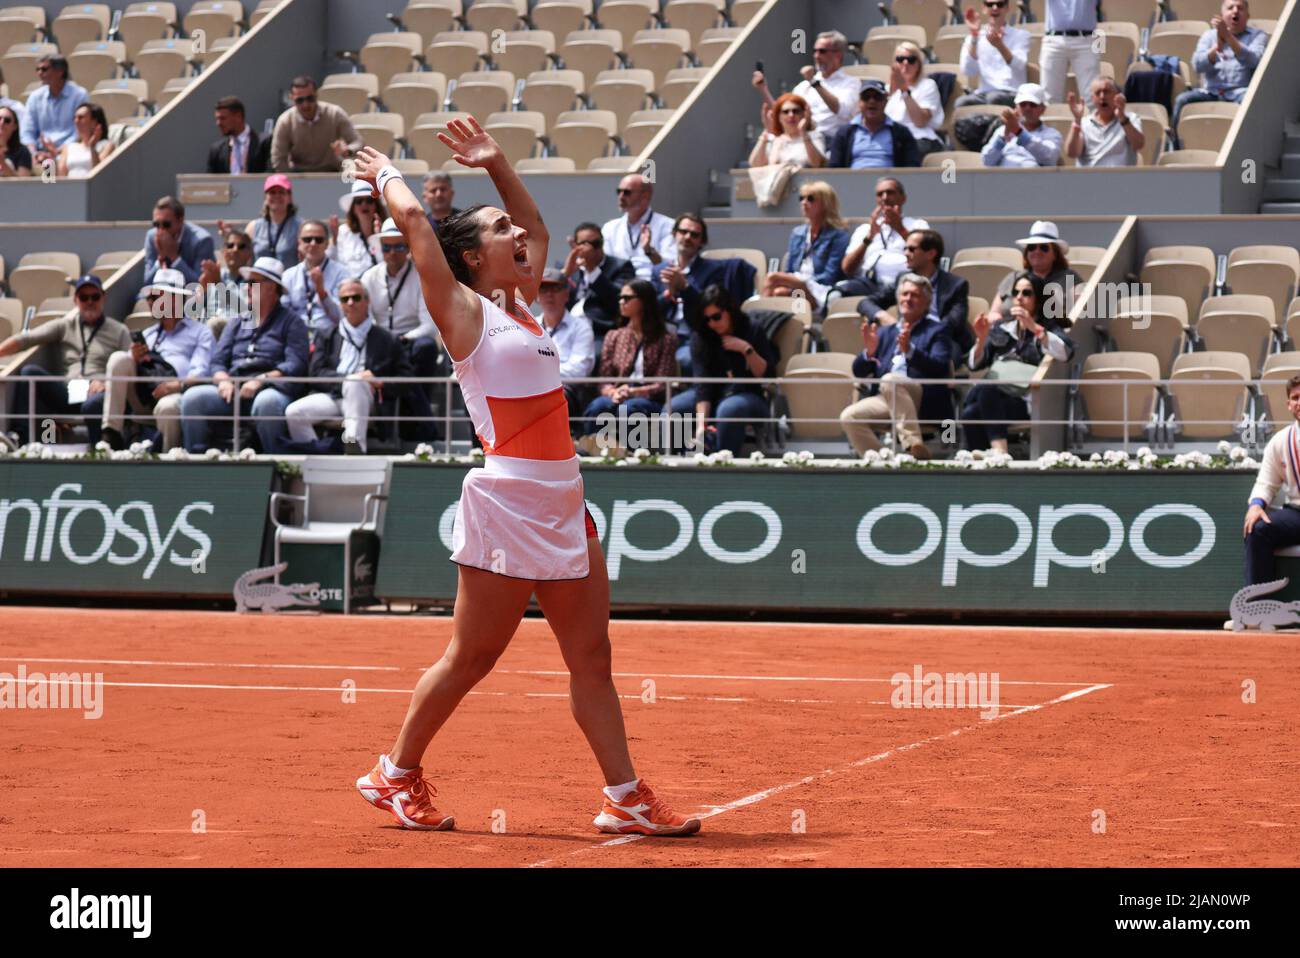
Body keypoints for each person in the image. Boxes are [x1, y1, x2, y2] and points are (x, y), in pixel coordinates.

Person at [350, 126, 700, 835]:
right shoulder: (462, 312)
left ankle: (624, 798)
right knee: (473, 656)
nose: (519, 235)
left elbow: (537, 225)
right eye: (498, 230)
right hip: (509, 498)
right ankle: (394, 774)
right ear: (474, 256)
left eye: (510, 226)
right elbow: (417, 221)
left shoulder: (523, 308)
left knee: (592, 656)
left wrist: (498, 164)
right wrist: (386, 175)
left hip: (565, 498)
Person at [180, 256, 308, 453]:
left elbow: (295, 364)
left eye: (252, 282)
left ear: (272, 288)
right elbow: (218, 361)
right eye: (246, 283)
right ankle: (197, 462)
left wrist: (261, 380)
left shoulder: (292, 322)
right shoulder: (237, 321)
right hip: (234, 389)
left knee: (268, 403)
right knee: (193, 399)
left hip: (270, 389)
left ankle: (277, 465)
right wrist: (222, 380)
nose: (246, 287)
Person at [0, 275, 131, 446]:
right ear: (75, 300)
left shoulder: (119, 330)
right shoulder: (65, 325)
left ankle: (100, 451)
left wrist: (107, 383)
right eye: (84, 297)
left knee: (93, 404)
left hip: (99, 391)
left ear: (103, 298)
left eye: (95, 297)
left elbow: (129, 365)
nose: (90, 302)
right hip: (71, 389)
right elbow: (26, 339)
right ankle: (19, 437)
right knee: (29, 372)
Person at [284, 279, 411, 454]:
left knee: (356, 382)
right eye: (345, 299)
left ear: (367, 301)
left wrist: (380, 382)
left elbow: (406, 378)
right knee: (294, 413)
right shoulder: (327, 335)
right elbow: (316, 372)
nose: (351, 303)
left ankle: (355, 446)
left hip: (369, 399)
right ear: (341, 304)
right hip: (333, 395)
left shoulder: (387, 339)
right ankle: (320, 453)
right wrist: (345, 381)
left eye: (356, 297)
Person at [839, 273, 954, 460]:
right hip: (887, 397)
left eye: (914, 295)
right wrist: (868, 352)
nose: (908, 299)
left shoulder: (937, 330)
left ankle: (913, 445)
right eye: (905, 294)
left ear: (926, 302)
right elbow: (858, 371)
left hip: (923, 397)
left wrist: (910, 351)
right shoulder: (884, 332)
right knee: (849, 417)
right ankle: (882, 462)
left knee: (890, 380)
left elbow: (941, 367)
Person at [98, 268, 215, 451]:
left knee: (167, 407)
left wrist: (173, 386)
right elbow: (124, 370)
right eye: (150, 298)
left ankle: (169, 460)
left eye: (155, 297)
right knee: (119, 358)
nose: (149, 302)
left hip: (178, 394)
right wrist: (134, 359)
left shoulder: (201, 332)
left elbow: (200, 373)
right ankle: (111, 435)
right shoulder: (148, 334)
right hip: (145, 394)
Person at [962, 272, 1073, 454]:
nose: (1019, 298)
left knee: (984, 391)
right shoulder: (1002, 328)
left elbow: (1065, 352)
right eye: (1016, 293)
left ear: (1038, 298)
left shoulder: (1048, 328)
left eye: (1026, 293)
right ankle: (985, 459)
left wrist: (1034, 328)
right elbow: (974, 365)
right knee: (971, 412)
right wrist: (981, 339)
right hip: (997, 399)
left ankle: (1000, 452)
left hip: (1028, 401)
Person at [360, 217, 442, 441]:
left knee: (425, 347)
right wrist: (386, 341)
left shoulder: (420, 276)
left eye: (399, 246)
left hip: (409, 341)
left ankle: (412, 422)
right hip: (380, 342)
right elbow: (364, 319)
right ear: (381, 248)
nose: (392, 252)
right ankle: (422, 427)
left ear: (408, 248)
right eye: (387, 246)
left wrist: (403, 339)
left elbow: (428, 324)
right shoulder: (369, 276)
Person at [669, 285, 775, 455]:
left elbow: (766, 377)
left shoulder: (752, 328)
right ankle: (673, 463)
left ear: (730, 311)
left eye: (716, 317)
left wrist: (746, 349)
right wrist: (701, 426)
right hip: (712, 393)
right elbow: (702, 385)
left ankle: (723, 463)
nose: (711, 324)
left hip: (749, 394)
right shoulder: (701, 336)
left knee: (729, 409)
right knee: (673, 408)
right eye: (707, 319)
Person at [651, 212, 756, 374]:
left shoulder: (713, 270)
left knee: (685, 359)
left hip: (693, 336)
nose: (687, 237)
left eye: (694, 235)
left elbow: (711, 307)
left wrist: (685, 287)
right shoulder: (660, 270)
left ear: (702, 241)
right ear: (674, 234)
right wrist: (668, 294)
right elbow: (650, 309)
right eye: (683, 232)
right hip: (661, 336)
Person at [580, 279, 679, 437]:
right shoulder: (615, 336)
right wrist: (612, 391)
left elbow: (662, 383)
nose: (621, 302)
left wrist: (633, 392)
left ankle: (632, 455)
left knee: (629, 409)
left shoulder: (665, 339)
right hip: (618, 393)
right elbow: (604, 378)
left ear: (644, 301)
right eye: (621, 298)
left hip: (648, 398)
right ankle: (595, 452)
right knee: (598, 406)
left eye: (627, 298)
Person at [857, 229, 973, 354]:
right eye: (905, 249)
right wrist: (883, 316)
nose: (906, 253)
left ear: (931, 254)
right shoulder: (903, 280)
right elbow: (865, 303)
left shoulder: (956, 285)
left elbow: (954, 322)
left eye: (911, 249)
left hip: (942, 339)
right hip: (904, 337)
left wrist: (921, 333)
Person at [1173, 0, 1269, 136]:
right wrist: (1217, 47)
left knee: (1253, 101)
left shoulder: (1258, 36)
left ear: (1247, 15)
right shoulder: (1209, 36)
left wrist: (1228, 37)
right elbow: (1197, 65)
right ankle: (1176, 145)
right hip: (1211, 92)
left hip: (1240, 92)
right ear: (1222, 15)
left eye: (1240, 8)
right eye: (1230, 8)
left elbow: (1254, 60)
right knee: (1182, 100)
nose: (1235, 11)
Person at [1242, 375, 1300, 588]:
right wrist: (1256, 506)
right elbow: (1266, 482)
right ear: (1288, 405)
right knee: (1257, 529)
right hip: (1297, 515)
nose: (1299, 402)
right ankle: (1255, 607)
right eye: (1295, 397)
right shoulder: (1280, 441)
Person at [761, 180, 850, 312]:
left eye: (811, 199)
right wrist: (795, 282)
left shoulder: (838, 236)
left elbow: (830, 276)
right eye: (801, 198)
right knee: (779, 292)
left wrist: (802, 281)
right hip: (798, 288)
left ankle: (759, 317)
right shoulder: (798, 233)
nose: (804, 202)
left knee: (772, 277)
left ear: (825, 203)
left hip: (820, 290)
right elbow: (789, 269)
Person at [751, 30, 859, 140]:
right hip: (803, 139)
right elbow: (784, 112)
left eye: (822, 51)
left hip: (832, 142)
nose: (816, 56)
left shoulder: (851, 82)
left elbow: (843, 112)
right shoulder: (805, 85)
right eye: (815, 51)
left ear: (838, 55)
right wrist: (763, 89)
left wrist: (814, 82)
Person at [839, 177, 929, 297]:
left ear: (903, 198)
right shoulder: (865, 229)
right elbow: (847, 268)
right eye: (880, 194)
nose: (885, 198)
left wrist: (899, 228)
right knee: (837, 294)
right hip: (869, 283)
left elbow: (927, 258)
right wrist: (869, 238)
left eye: (890, 192)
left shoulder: (918, 225)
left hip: (905, 283)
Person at [989, 220, 1083, 320]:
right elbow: (993, 313)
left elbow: (1078, 316)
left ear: (1055, 254)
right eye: (1032, 247)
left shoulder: (1069, 278)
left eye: (1044, 247)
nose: (1037, 251)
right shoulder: (1013, 277)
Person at [536, 267, 596, 422]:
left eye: (555, 288)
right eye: (543, 289)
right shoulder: (529, 326)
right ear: (536, 296)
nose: (549, 294)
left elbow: (580, 369)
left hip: (567, 388)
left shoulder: (581, 326)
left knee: (551, 396)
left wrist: (539, 376)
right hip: (532, 385)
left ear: (567, 294)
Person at [270, 75, 362, 173]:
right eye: (299, 100)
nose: (305, 105)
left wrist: (347, 150)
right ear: (291, 98)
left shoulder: (334, 114)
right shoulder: (285, 121)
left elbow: (358, 142)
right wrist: (289, 181)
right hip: (299, 176)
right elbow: (278, 158)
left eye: (310, 98)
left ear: (316, 95)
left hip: (331, 174)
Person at [563, 221, 636, 338]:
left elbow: (618, 301)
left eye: (596, 244)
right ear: (576, 246)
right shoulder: (570, 267)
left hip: (599, 331)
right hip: (566, 328)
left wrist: (592, 269)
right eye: (585, 244)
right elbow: (545, 294)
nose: (593, 249)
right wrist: (565, 274)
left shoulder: (621, 266)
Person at [827, 80, 921, 170]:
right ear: (859, 102)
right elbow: (834, 168)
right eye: (866, 97)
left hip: (889, 184)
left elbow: (912, 167)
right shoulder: (844, 133)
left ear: (886, 101)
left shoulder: (902, 133)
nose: (872, 101)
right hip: (853, 184)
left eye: (877, 97)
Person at [601, 173, 676, 280]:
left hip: (651, 285)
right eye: (619, 191)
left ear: (645, 196)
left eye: (627, 192)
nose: (621, 197)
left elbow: (669, 266)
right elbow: (605, 264)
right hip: (619, 285)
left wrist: (649, 251)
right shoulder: (609, 228)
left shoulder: (668, 226)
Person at [281, 219, 345, 341]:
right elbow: (283, 313)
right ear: (299, 243)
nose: (313, 244)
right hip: (295, 337)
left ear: (327, 244)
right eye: (307, 239)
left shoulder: (341, 273)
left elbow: (342, 316)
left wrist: (322, 293)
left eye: (319, 240)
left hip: (329, 338)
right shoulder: (289, 275)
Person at [957, 1, 1030, 108]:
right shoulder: (974, 37)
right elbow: (968, 71)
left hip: (1011, 92)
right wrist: (974, 35)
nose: (995, 8)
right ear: (984, 8)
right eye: (990, 4)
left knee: (994, 98)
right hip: (983, 94)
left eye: (1000, 4)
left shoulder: (1021, 35)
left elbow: (1019, 66)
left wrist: (1000, 46)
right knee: (961, 103)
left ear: (1007, 8)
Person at [19, 55, 87, 165]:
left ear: (60, 71)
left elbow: (79, 132)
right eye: (38, 69)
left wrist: (58, 151)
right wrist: (33, 153)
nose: (40, 73)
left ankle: (49, 179)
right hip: (40, 154)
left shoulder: (79, 95)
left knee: (50, 171)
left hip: (68, 152)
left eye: (44, 69)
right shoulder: (35, 97)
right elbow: (27, 132)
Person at [1066, 77, 1145, 167]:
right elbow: (1072, 153)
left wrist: (1122, 118)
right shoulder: (1083, 123)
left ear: (1118, 95)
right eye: (1098, 93)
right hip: (1089, 178)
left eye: (1106, 92)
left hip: (1121, 178)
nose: (1102, 97)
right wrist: (1077, 120)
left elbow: (1138, 145)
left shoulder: (1130, 118)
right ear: (1093, 98)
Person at [888, 41, 947, 158]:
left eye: (911, 59)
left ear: (918, 64)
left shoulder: (927, 85)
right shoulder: (886, 90)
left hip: (919, 139)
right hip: (891, 140)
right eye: (900, 59)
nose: (905, 63)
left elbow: (920, 121)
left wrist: (905, 91)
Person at [981, 83, 1062, 168]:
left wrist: (1019, 132)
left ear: (1043, 108)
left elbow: (1050, 158)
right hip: (1004, 179)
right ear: (1016, 107)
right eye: (1023, 104)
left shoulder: (1052, 134)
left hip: (1035, 179)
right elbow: (987, 161)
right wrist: (1003, 137)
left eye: (1033, 104)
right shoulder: (1001, 131)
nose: (1027, 108)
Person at [1040, 0, 1101, 108]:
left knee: (1091, 98)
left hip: (1086, 40)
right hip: (1054, 40)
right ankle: (1052, 125)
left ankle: (1091, 125)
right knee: (1049, 99)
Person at [143, 195, 215, 286]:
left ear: (180, 220)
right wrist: (160, 260)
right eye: (156, 224)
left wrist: (174, 257)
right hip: (161, 294)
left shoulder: (202, 240)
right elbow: (147, 281)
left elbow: (200, 284)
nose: (161, 230)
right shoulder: (152, 236)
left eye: (166, 224)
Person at [197, 228, 254, 341]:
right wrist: (202, 291)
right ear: (223, 251)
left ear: (249, 254)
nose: (235, 250)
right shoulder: (213, 274)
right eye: (230, 246)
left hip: (239, 337)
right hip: (208, 338)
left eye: (241, 246)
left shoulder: (255, 280)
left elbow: (247, 314)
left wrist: (219, 284)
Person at [747, 93, 826, 169]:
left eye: (796, 111)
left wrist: (803, 133)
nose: (791, 115)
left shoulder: (814, 136)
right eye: (785, 112)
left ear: (804, 114)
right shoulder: (773, 139)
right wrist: (766, 132)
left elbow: (817, 163)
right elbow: (755, 164)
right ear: (778, 117)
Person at [330, 179, 388, 279]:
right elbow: (331, 263)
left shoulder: (387, 231)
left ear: (376, 206)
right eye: (359, 201)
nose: (364, 204)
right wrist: (334, 240)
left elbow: (389, 265)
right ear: (353, 208)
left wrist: (378, 238)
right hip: (352, 290)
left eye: (369, 200)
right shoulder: (343, 232)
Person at [244, 173, 303, 268]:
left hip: (287, 282)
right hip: (259, 282)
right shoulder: (253, 227)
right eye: (272, 192)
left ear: (290, 197)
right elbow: (247, 263)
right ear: (265, 198)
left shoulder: (300, 227)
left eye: (281, 192)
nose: (277, 196)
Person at [207, 96, 271, 175]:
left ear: (238, 116)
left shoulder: (264, 142)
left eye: (223, 118)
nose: (218, 123)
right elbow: (211, 182)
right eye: (217, 119)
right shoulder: (216, 150)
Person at [56, 102, 113, 178]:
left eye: (81, 117)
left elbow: (100, 175)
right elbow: (61, 177)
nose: (76, 121)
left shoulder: (107, 146)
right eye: (75, 118)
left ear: (94, 122)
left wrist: (92, 147)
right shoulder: (68, 147)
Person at [0, 105, 33, 177]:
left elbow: (23, 184)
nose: (2, 123)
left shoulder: (22, 151)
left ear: (14, 126)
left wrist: (3, 163)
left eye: (7, 120)